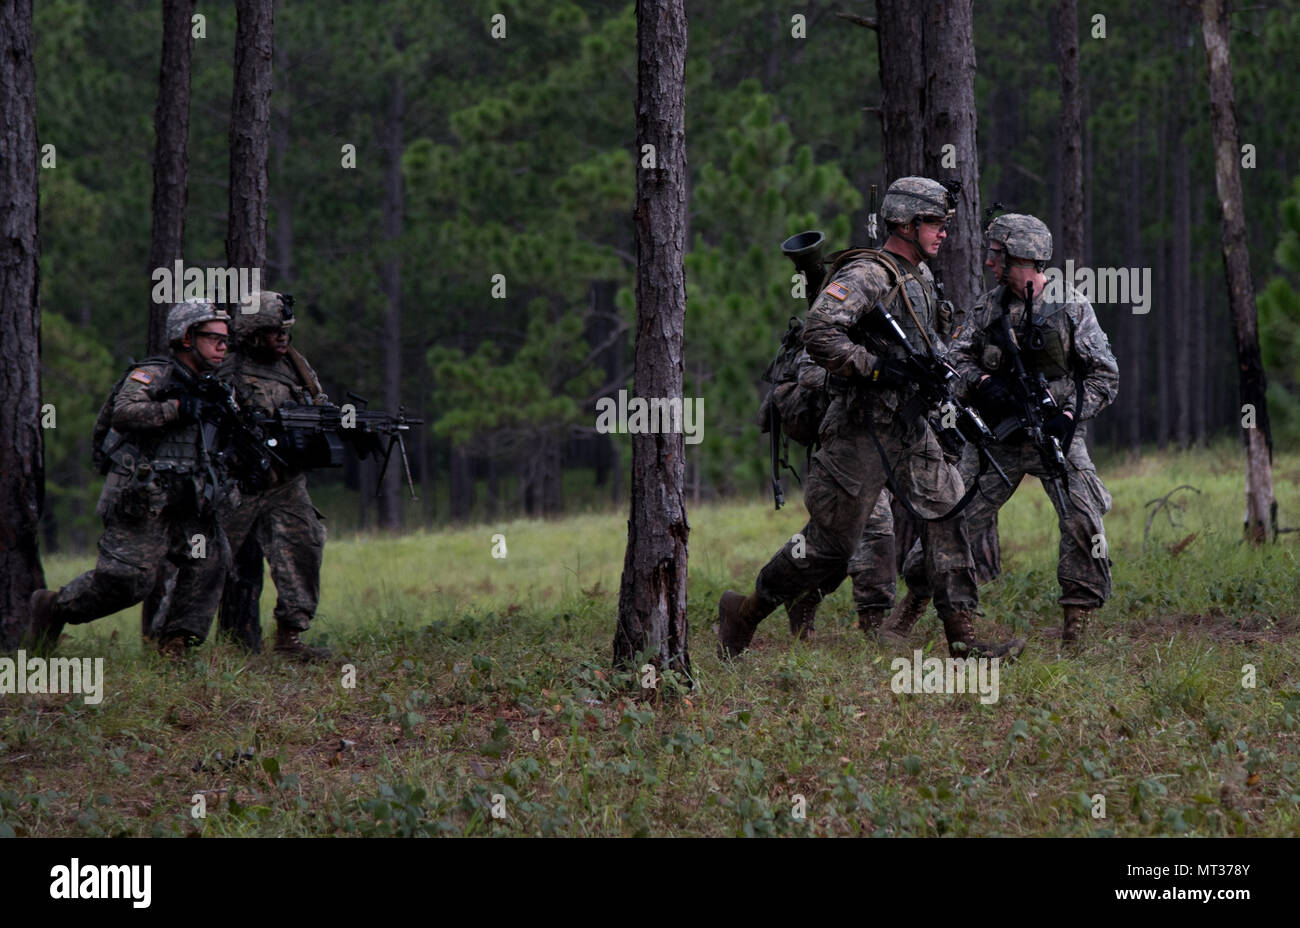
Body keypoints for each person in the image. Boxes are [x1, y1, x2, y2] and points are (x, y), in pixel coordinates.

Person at [717, 177, 1024, 661]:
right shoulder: (868, 273)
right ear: (904, 223)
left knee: (947, 513)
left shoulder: (919, 276)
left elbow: (927, 346)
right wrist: (877, 367)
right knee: (828, 547)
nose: (943, 233)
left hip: (909, 426)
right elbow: (821, 332)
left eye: (945, 224)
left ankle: (963, 638)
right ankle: (746, 612)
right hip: (859, 431)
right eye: (935, 224)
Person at [886, 213, 1119, 650]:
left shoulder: (1072, 307)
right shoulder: (987, 308)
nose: (990, 262)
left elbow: (1105, 376)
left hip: (1057, 438)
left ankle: (1076, 634)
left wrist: (1068, 417)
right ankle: (908, 614)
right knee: (951, 523)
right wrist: (983, 385)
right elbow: (955, 361)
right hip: (999, 441)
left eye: (998, 255)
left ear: (1023, 258)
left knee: (1085, 523)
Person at [28, 301, 236, 656]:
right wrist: (176, 409)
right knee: (130, 580)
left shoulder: (214, 387)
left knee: (210, 560)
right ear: (187, 338)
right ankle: (54, 607)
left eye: (225, 340)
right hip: (142, 498)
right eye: (214, 338)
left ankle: (175, 644)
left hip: (189, 497)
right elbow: (124, 414)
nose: (222, 346)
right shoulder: (153, 375)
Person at [215, 290, 331, 661]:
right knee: (206, 558)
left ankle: (290, 639)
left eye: (285, 330)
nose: (282, 337)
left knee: (306, 544)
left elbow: (318, 406)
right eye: (272, 331)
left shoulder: (295, 365)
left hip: (286, 482)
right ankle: (175, 640)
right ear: (251, 333)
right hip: (238, 482)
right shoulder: (226, 368)